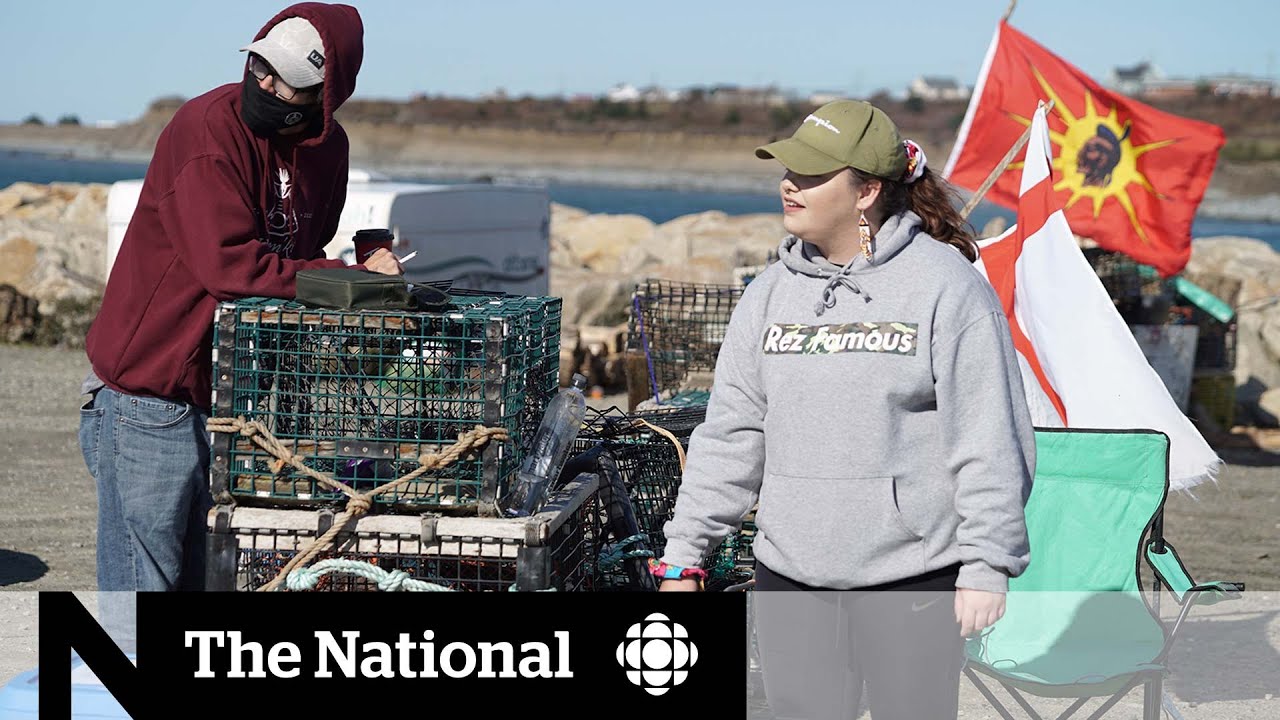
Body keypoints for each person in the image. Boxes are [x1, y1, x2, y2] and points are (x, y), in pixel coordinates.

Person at [650, 100, 1036, 719]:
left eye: (811, 174)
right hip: (788, 575)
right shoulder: (769, 295)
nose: (788, 184)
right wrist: (684, 555)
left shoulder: (947, 288)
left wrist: (988, 564)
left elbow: (988, 438)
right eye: (788, 171)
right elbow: (731, 435)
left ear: (867, 191)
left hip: (913, 576)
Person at [79, 3, 401, 594]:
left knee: (210, 581)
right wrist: (347, 281)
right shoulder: (207, 131)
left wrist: (366, 262)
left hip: (229, 399)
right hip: (150, 392)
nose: (266, 84)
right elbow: (230, 266)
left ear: (325, 96)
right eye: (260, 65)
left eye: (286, 81)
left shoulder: (327, 149)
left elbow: (305, 245)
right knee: (142, 590)